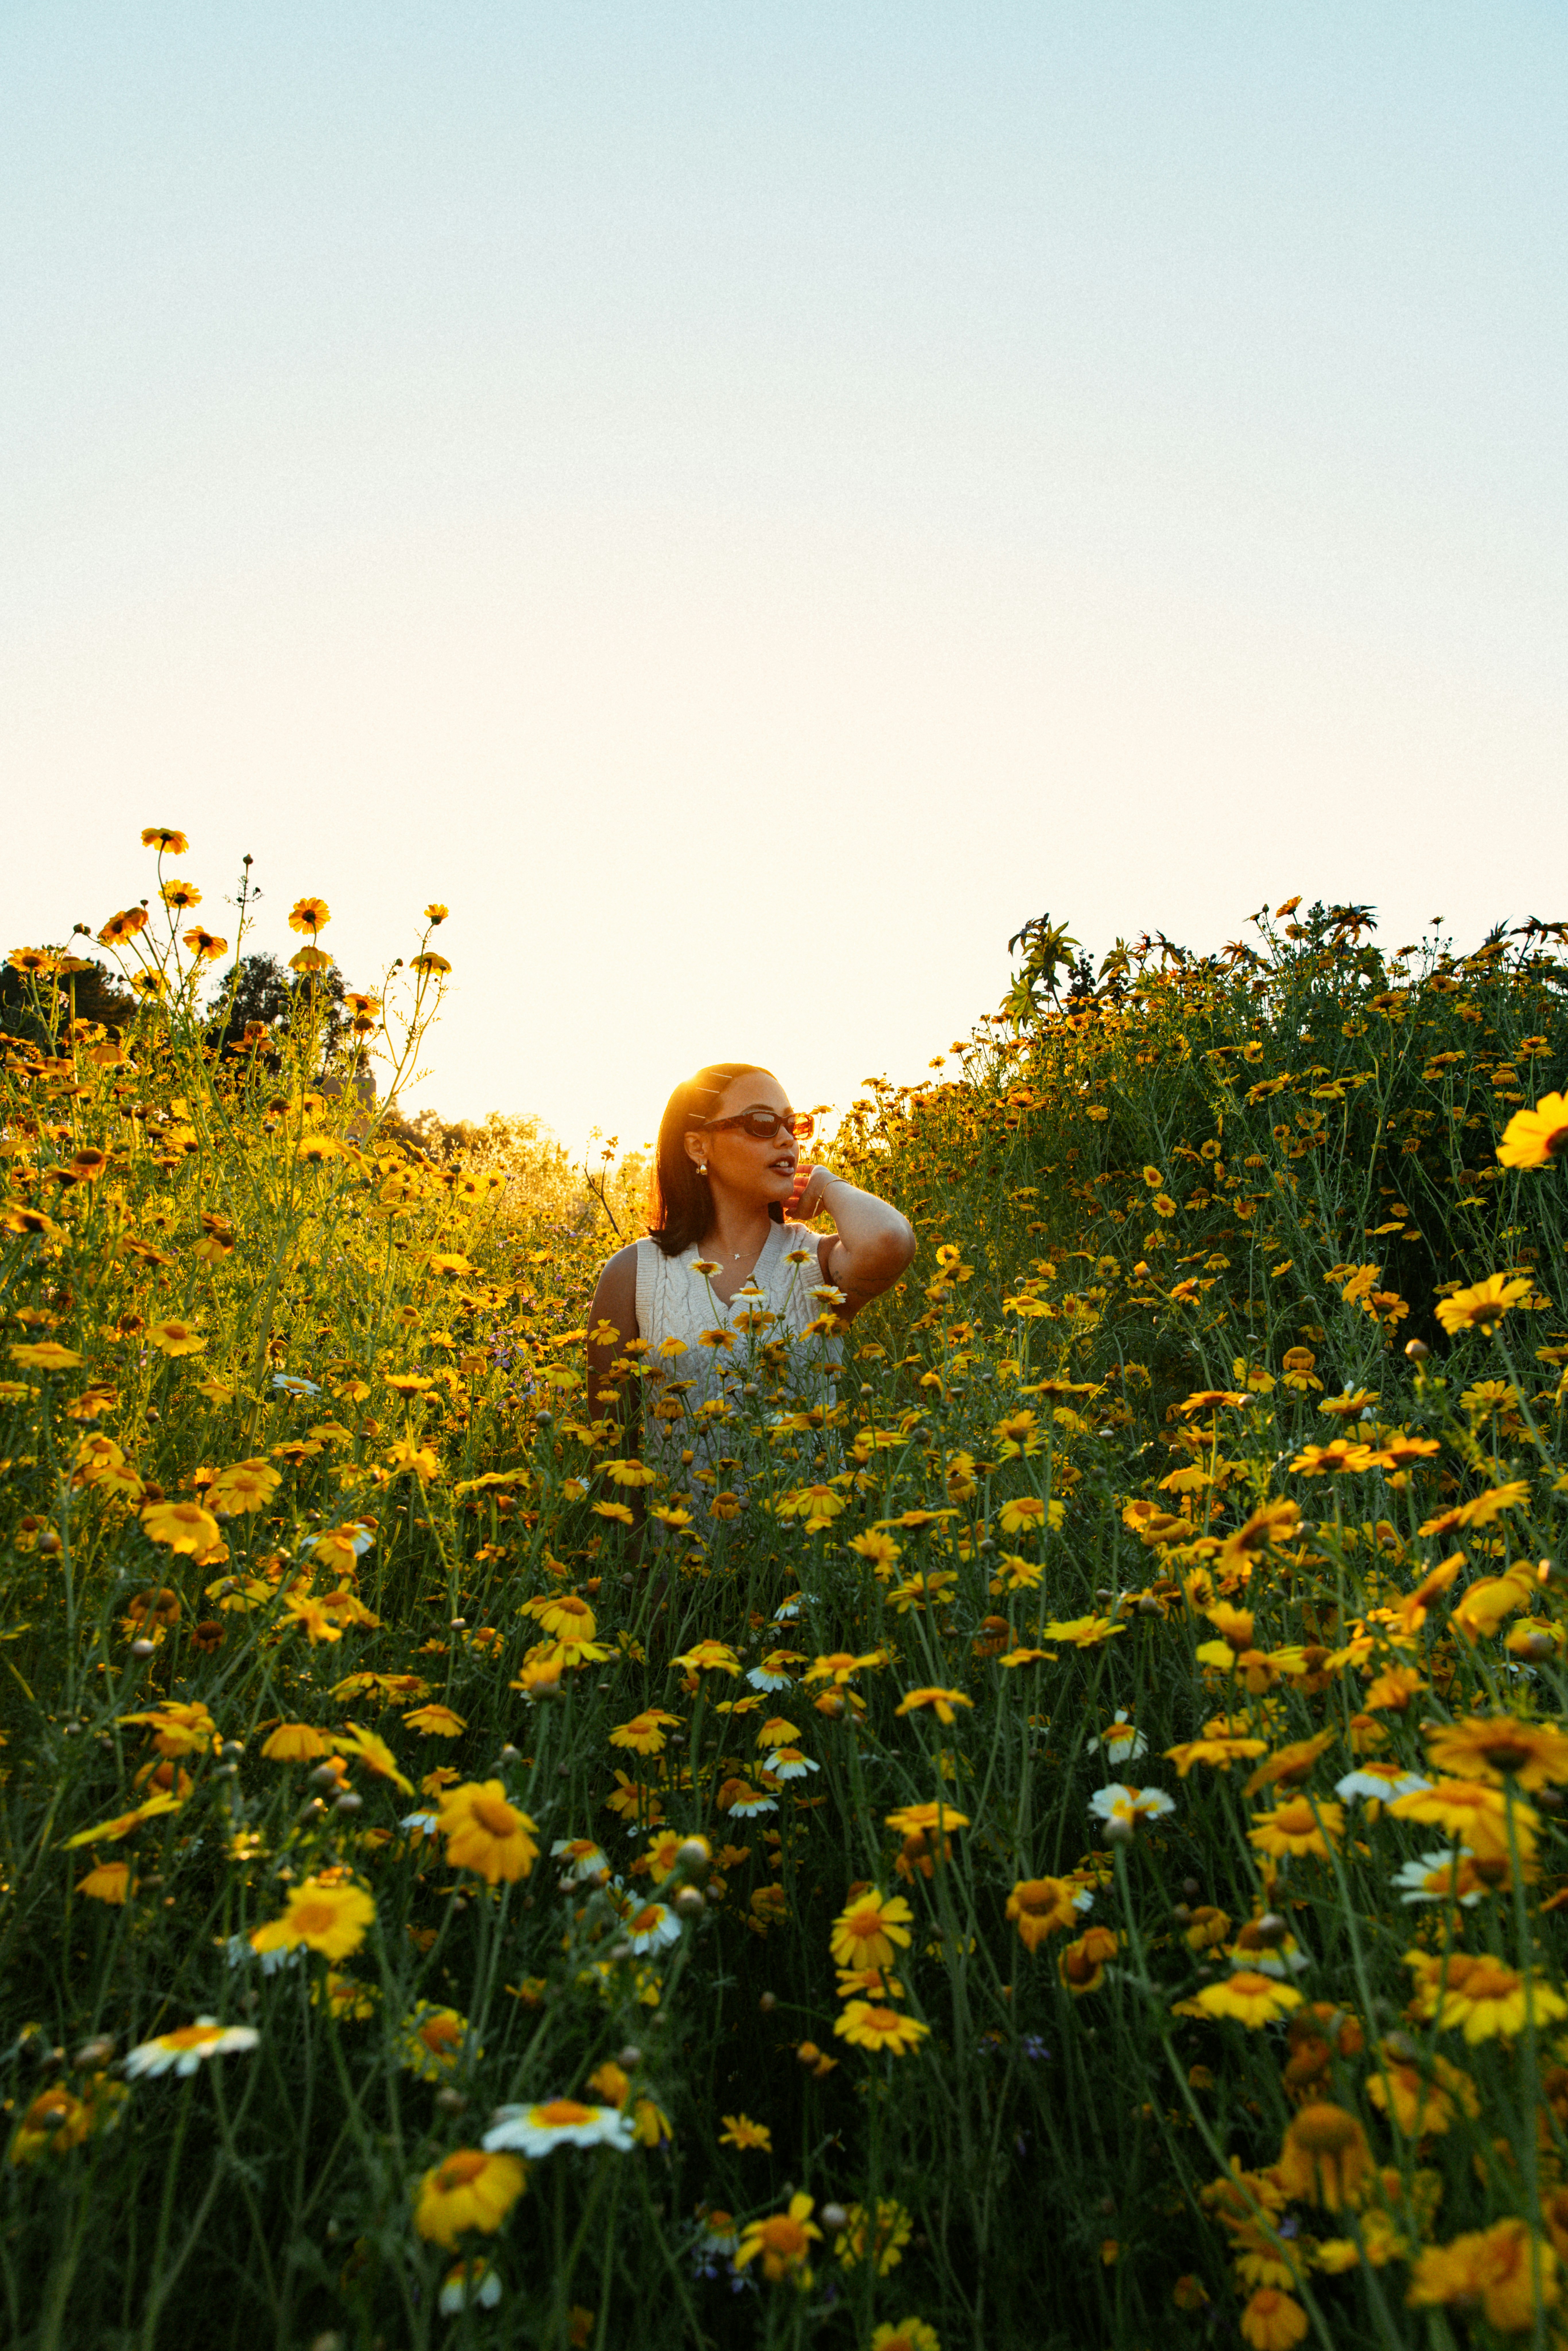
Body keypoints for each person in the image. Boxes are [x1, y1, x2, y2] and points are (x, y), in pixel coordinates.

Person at [585, 1063, 916, 1474]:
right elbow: (609, 1449)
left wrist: (830, 1186)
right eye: (762, 1123)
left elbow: (890, 1240)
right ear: (697, 1147)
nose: (787, 1140)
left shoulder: (818, 1263)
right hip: (672, 1535)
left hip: (808, 1530)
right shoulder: (634, 1273)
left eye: (794, 1126)